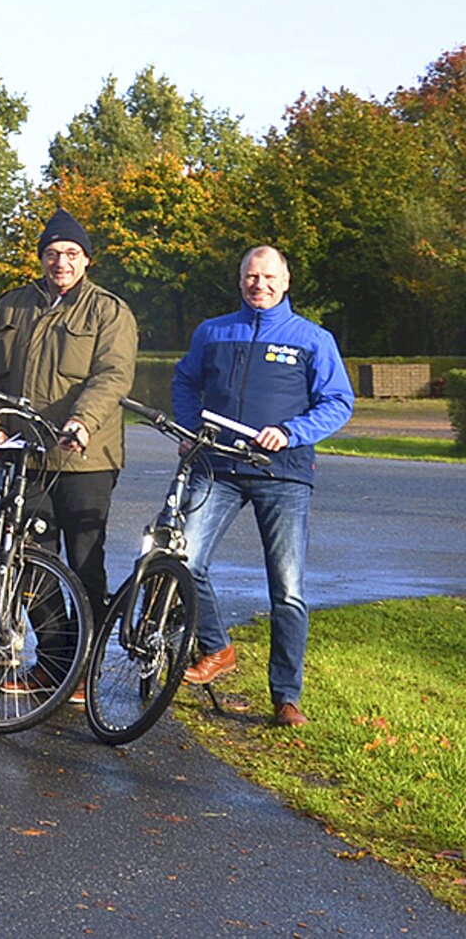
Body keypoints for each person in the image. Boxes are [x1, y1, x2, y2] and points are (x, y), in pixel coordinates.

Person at [174, 246, 354, 728]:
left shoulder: (312, 339)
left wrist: (292, 431)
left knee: (288, 590)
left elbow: (338, 401)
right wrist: (192, 431)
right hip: (219, 467)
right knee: (184, 559)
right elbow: (185, 382)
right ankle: (217, 647)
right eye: (251, 276)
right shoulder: (213, 332)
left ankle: (286, 697)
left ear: (286, 280)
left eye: (269, 276)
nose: (260, 284)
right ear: (240, 280)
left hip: (285, 474)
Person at [0, 210, 139, 699]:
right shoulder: (13, 306)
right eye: (52, 253)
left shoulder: (109, 311)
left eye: (70, 254)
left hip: (86, 458)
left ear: (86, 259)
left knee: (85, 566)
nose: (60, 261)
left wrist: (81, 420)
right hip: (28, 457)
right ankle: (57, 659)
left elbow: (111, 376)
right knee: (27, 562)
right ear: (40, 258)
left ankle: (86, 669)